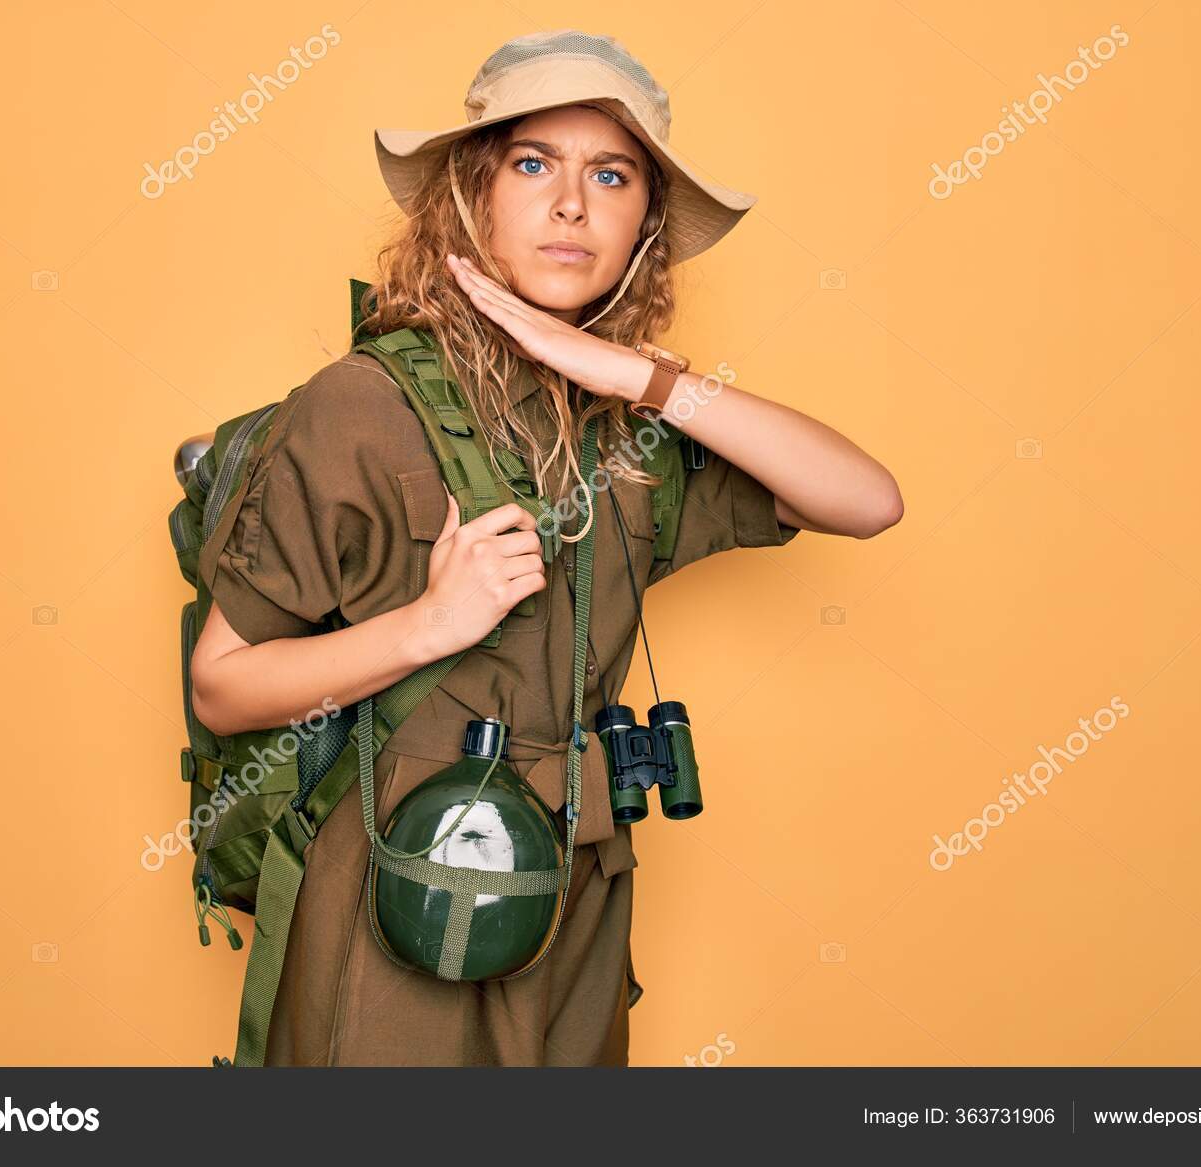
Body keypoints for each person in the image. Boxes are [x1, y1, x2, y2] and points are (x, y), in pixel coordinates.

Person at [189, 29, 902, 1066]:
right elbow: (224, 688)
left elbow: (865, 500)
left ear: (642, 227)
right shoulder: (362, 407)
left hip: (574, 906)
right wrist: (430, 624)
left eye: (608, 176)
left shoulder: (632, 435)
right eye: (533, 164)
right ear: (471, 198)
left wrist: (636, 379)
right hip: (398, 900)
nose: (571, 205)